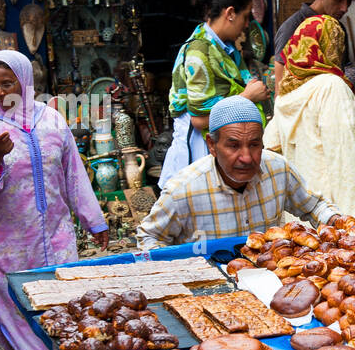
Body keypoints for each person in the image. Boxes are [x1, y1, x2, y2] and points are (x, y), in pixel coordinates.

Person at [0, 50, 109, 350]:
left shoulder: (52, 119)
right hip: (4, 239)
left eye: (7, 83)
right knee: (14, 304)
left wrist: (94, 220)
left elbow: (73, 174)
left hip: (56, 231)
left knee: (57, 297)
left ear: (25, 82)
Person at [138, 95, 342, 249]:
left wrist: (338, 223)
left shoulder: (278, 169)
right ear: (212, 144)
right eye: (233, 146)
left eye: (254, 145)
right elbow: (149, 237)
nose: (246, 157)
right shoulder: (183, 190)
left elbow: (314, 206)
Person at [263, 15, 355, 227]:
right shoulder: (332, 87)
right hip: (335, 218)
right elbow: (346, 157)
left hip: (300, 218)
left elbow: (270, 147)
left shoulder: (285, 96)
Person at [159, 0, 271, 189]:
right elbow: (199, 120)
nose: (247, 25)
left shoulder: (222, 49)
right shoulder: (199, 52)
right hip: (198, 151)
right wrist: (248, 97)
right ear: (230, 13)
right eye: (245, 17)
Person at [271, 0, 355, 92]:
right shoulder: (293, 26)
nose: (345, 8)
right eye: (338, 0)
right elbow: (280, 84)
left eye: (349, 2)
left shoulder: (338, 28)